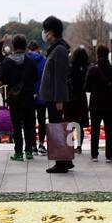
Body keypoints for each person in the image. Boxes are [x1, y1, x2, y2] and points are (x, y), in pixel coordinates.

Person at [39, 16, 73, 174]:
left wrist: (59, 99)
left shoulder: (59, 50)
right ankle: (65, 160)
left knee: (56, 129)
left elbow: (60, 77)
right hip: (52, 96)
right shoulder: (56, 48)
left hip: (55, 97)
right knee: (57, 128)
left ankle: (61, 162)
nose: (44, 33)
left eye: (45, 30)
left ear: (51, 32)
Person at [1, 34, 39, 160]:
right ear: (25, 45)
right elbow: (35, 78)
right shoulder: (31, 61)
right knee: (29, 125)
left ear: (13, 45)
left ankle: (18, 153)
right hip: (28, 97)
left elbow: (3, 78)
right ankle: (29, 151)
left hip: (14, 97)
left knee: (16, 125)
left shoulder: (7, 61)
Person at [85, 44, 112, 162]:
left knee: (95, 130)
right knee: (110, 130)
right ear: (107, 55)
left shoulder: (92, 70)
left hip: (95, 103)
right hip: (110, 104)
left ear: (98, 55)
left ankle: (94, 155)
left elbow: (86, 87)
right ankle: (109, 155)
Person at [67, 46, 90, 154]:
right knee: (80, 123)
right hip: (82, 97)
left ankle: (70, 145)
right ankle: (79, 146)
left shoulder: (71, 67)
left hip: (72, 97)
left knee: (71, 122)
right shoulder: (86, 68)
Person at [29, 40, 48, 153]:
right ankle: (41, 143)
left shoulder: (26, 60)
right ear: (38, 49)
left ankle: (32, 145)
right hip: (42, 94)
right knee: (41, 120)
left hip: (30, 95)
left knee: (30, 121)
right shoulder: (44, 60)